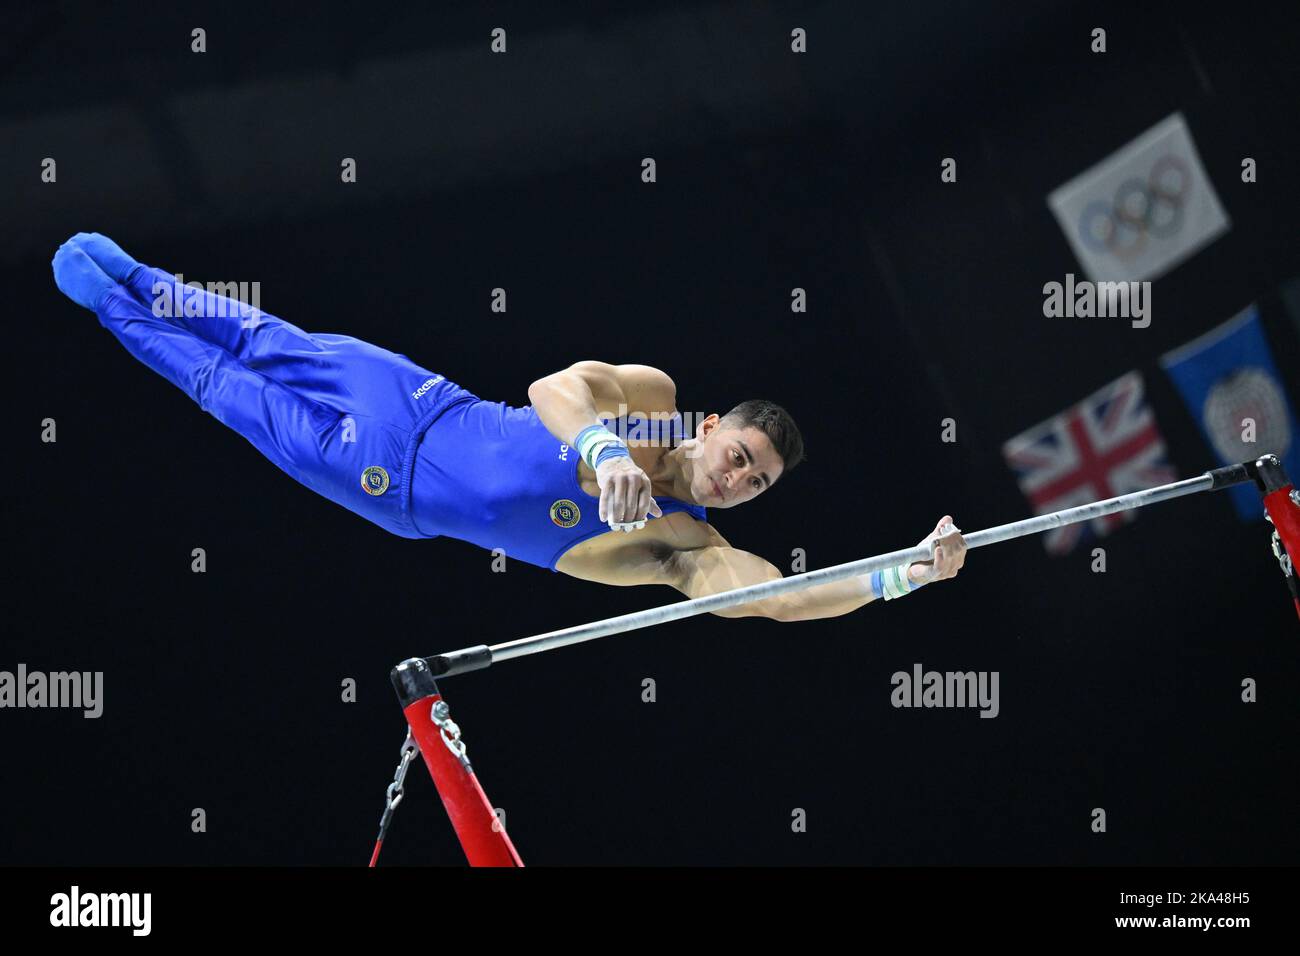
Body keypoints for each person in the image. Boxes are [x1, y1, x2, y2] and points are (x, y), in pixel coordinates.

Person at [52, 232, 967, 621]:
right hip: (418, 398)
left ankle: (114, 310)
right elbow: (553, 388)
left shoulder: (682, 548)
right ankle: (141, 276)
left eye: (757, 483)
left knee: (225, 388)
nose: (737, 480)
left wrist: (901, 576)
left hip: (389, 484)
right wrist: (606, 452)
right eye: (740, 456)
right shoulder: (651, 397)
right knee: (261, 334)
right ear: (716, 424)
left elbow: (779, 597)